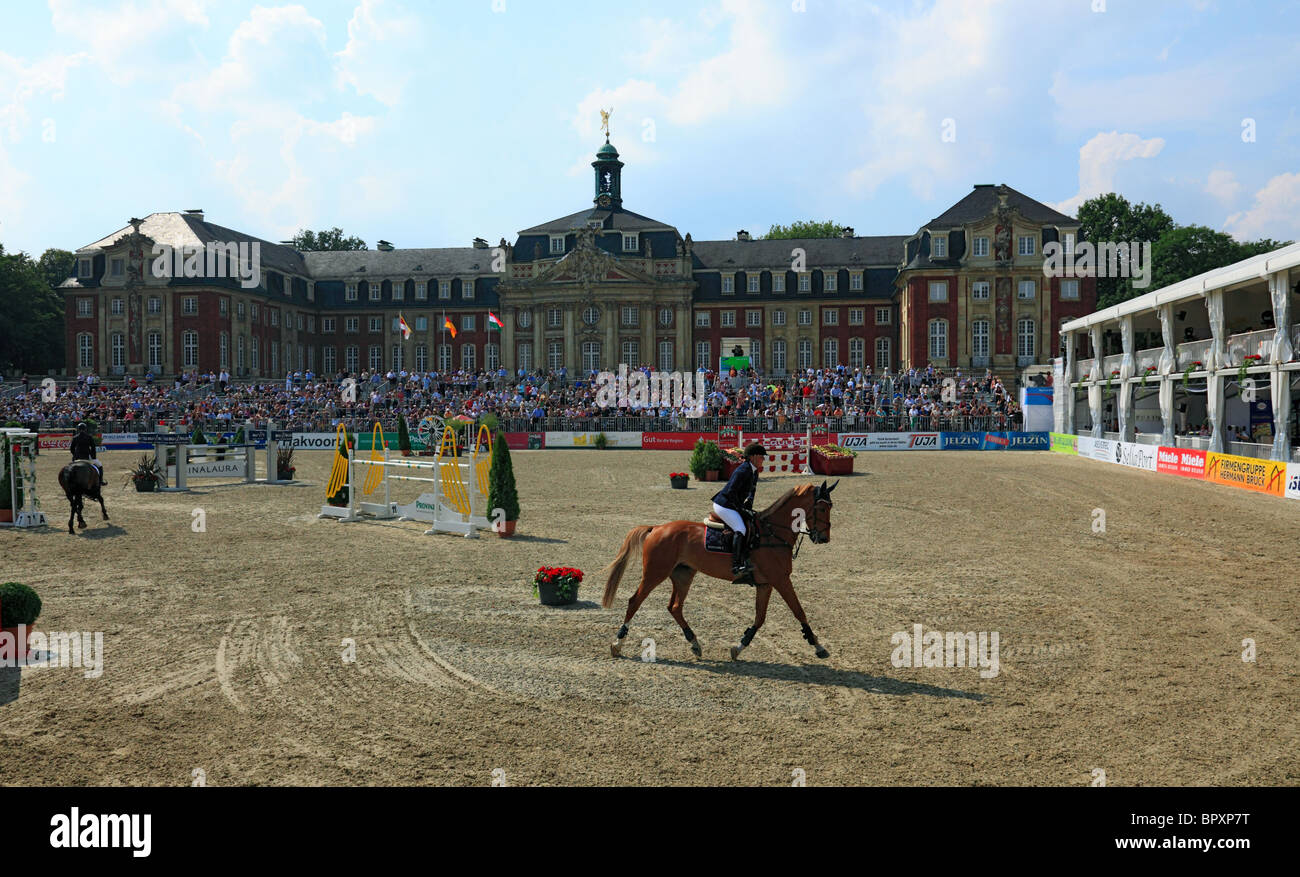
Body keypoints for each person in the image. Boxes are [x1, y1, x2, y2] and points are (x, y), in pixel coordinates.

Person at [712, 443, 766, 580]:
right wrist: (741, 509)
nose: (763, 460)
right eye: (761, 457)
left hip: (733, 504)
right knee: (740, 528)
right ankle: (736, 565)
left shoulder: (754, 471)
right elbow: (731, 493)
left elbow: (752, 491)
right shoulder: (742, 471)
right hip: (724, 504)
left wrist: (748, 507)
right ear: (753, 457)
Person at [70, 421, 104, 488]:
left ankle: (70, 481)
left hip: (77, 457)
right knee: (100, 466)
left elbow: (71, 448)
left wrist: (75, 455)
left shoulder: (75, 437)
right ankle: (100, 481)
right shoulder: (89, 437)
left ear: (78, 429)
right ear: (85, 429)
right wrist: (93, 457)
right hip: (87, 456)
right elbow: (93, 448)